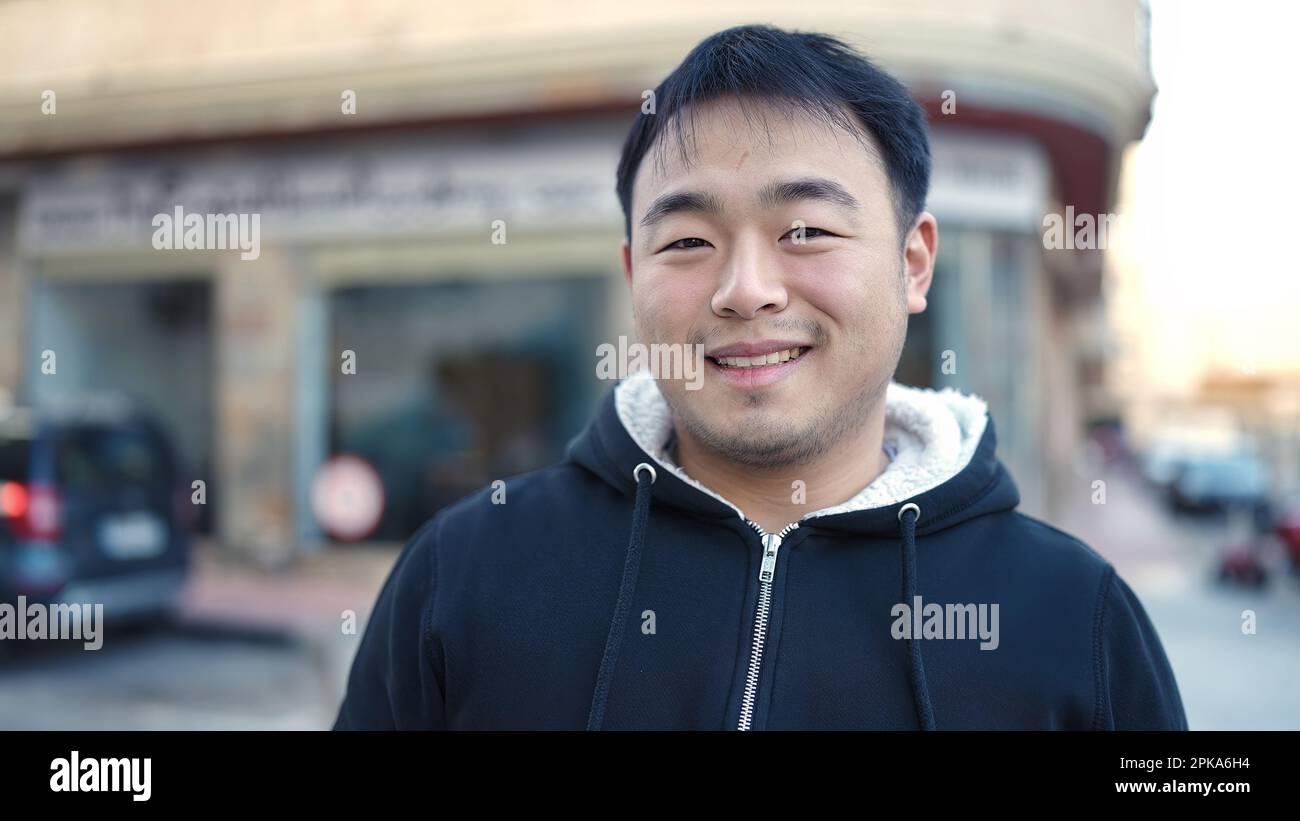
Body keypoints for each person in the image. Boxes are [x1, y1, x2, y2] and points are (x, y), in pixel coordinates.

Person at [332, 23, 1187, 730]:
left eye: (806, 230)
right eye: (688, 242)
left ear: (914, 262)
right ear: (634, 273)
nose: (746, 290)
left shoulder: (1074, 617)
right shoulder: (465, 572)